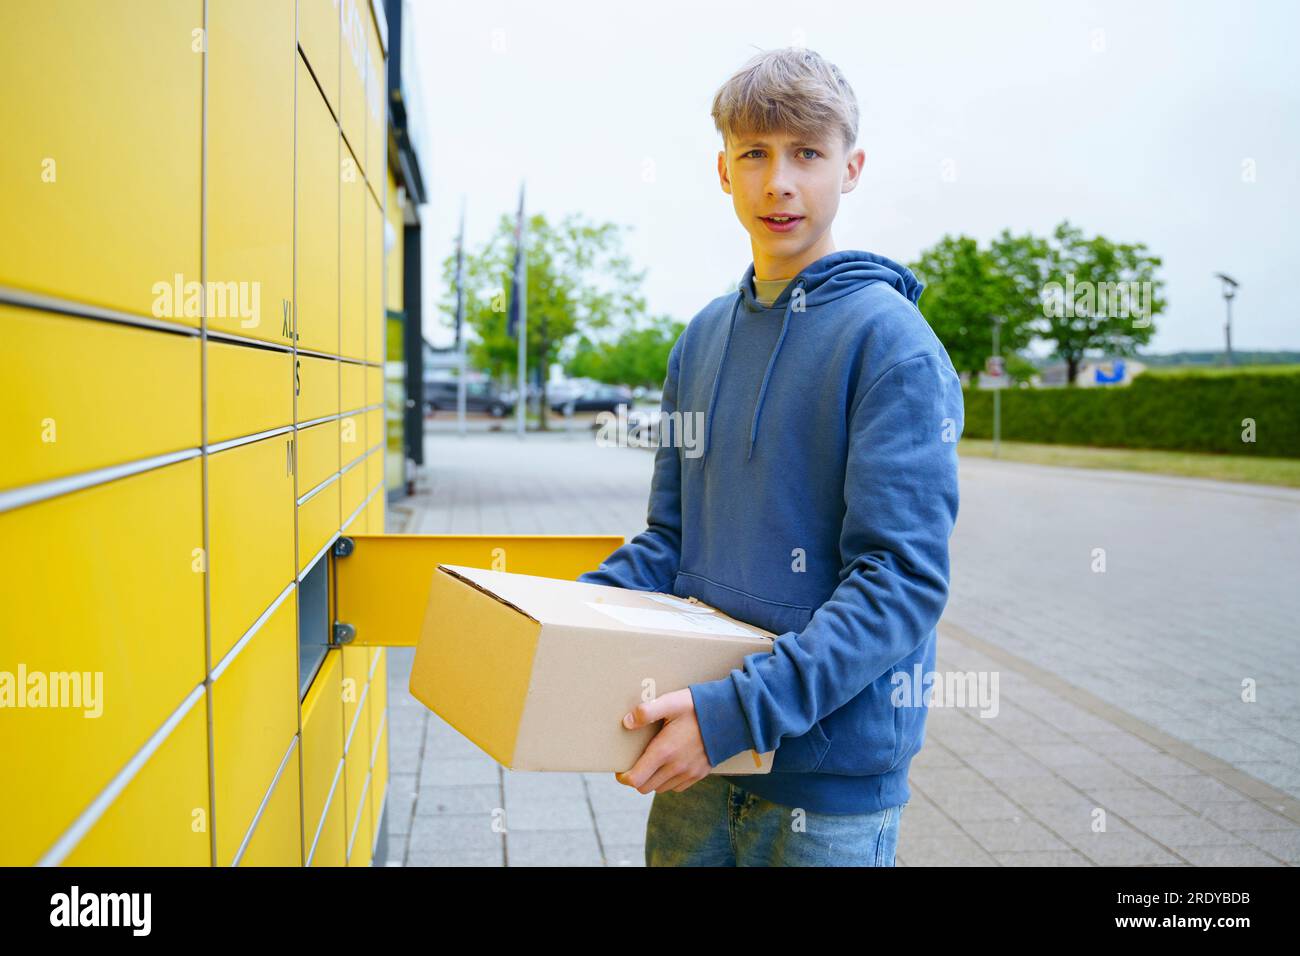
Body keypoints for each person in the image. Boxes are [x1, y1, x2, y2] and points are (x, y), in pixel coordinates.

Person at [577, 46, 964, 866]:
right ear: (724, 170)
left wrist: (734, 718)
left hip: (825, 787)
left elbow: (901, 583)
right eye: (754, 153)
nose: (778, 181)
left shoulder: (892, 346)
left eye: (807, 154)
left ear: (850, 168)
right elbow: (671, 542)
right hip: (695, 767)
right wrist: (569, 622)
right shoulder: (702, 339)